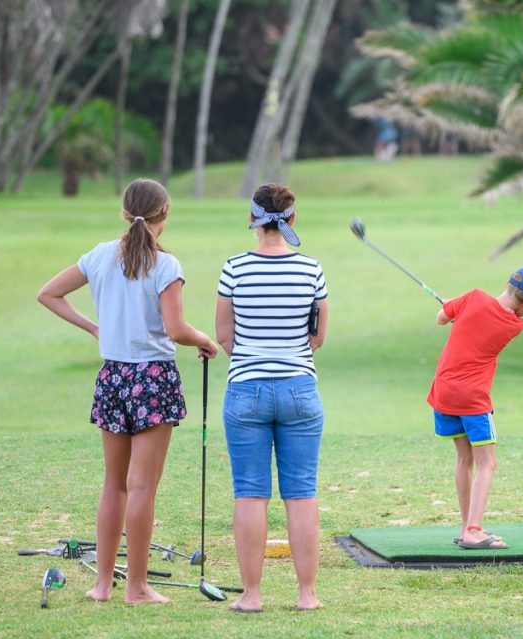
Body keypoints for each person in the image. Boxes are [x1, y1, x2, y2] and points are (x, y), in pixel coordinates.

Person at [37, 178, 218, 605]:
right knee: (142, 488)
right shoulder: (166, 265)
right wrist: (205, 341)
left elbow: (49, 293)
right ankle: (136, 588)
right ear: (164, 215)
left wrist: (94, 327)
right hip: (153, 379)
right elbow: (175, 330)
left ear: (125, 213)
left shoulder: (100, 256)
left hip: (113, 377)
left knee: (113, 485)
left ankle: (103, 584)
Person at [216, 183, 328, 612]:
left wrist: (252, 355)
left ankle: (252, 596)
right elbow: (318, 337)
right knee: (301, 493)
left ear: (252, 220)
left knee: (250, 492)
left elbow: (225, 335)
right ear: (292, 220)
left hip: (246, 389)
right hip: (300, 388)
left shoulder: (233, 269)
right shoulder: (311, 269)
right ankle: (306, 595)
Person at [428, 268, 523, 550]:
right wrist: (461, 311)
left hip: (444, 392)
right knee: (487, 463)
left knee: (463, 458)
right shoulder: (516, 326)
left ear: (507, 284)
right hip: (473, 399)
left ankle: (465, 527)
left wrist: (454, 308)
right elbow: (494, 317)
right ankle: (473, 529)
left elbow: (441, 318)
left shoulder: (473, 298)